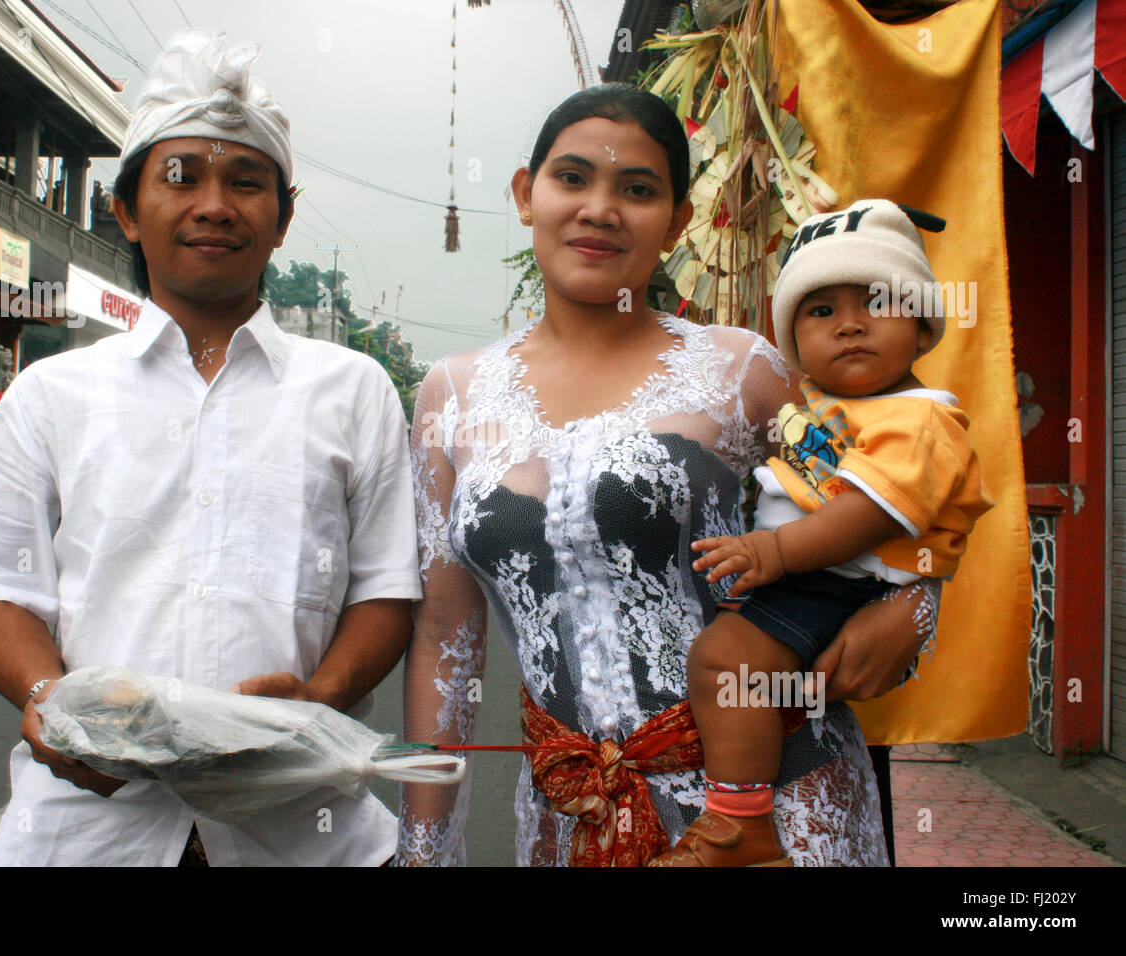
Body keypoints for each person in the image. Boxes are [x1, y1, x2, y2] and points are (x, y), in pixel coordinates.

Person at [395, 85, 944, 866]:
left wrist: (918, 605)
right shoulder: (451, 396)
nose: (600, 209)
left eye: (638, 189)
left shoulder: (741, 370)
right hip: (576, 815)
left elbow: (898, 495)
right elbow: (447, 635)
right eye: (572, 178)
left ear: (680, 221)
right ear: (526, 194)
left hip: (779, 807)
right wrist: (426, 849)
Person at [0, 31, 421, 866]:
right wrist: (49, 700)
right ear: (126, 207)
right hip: (87, 832)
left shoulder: (354, 389)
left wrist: (319, 699)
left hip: (301, 826)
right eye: (181, 177)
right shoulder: (51, 395)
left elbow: (385, 589)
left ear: (283, 216)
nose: (215, 205)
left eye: (247, 181)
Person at [651, 200, 993, 866]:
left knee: (727, 666)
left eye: (878, 303)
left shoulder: (915, 421)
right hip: (810, 578)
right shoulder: (828, 409)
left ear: (924, 329)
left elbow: (864, 512)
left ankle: (741, 827)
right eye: (822, 311)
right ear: (797, 347)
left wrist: (773, 549)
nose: (852, 325)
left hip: (829, 582)